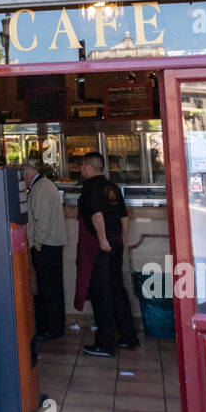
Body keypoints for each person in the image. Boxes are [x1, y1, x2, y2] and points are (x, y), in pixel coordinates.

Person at [76, 151, 139, 356]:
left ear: (88, 167)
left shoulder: (89, 188)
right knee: (117, 289)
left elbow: (96, 216)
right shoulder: (111, 187)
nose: (80, 169)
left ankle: (106, 343)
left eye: (82, 166)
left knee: (101, 294)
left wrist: (102, 240)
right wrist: (122, 238)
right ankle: (128, 336)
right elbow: (124, 216)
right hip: (116, 243)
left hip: (99, 247)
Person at [22, 157, 65, 340]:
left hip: (46, 245)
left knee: (48, 288)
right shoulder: (45, 185)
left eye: (23, 175)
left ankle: (50, 328)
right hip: (52, 243)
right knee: (52, 287)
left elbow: (42, 219)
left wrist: (37, 242)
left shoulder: (40, 188)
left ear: (29, 173)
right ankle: (54, 326)